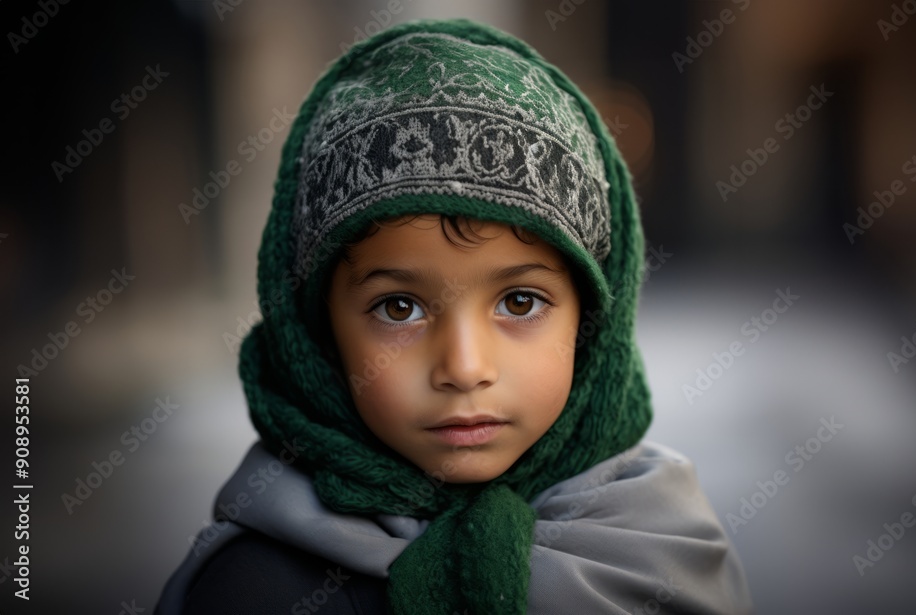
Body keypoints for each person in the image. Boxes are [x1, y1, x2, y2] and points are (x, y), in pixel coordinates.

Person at [156, 18, 752, 615]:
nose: (464, 368)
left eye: (520, 302)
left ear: (592, 324)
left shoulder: (659, 547)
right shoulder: (254, 588)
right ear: (321, 335)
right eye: (400, 308)